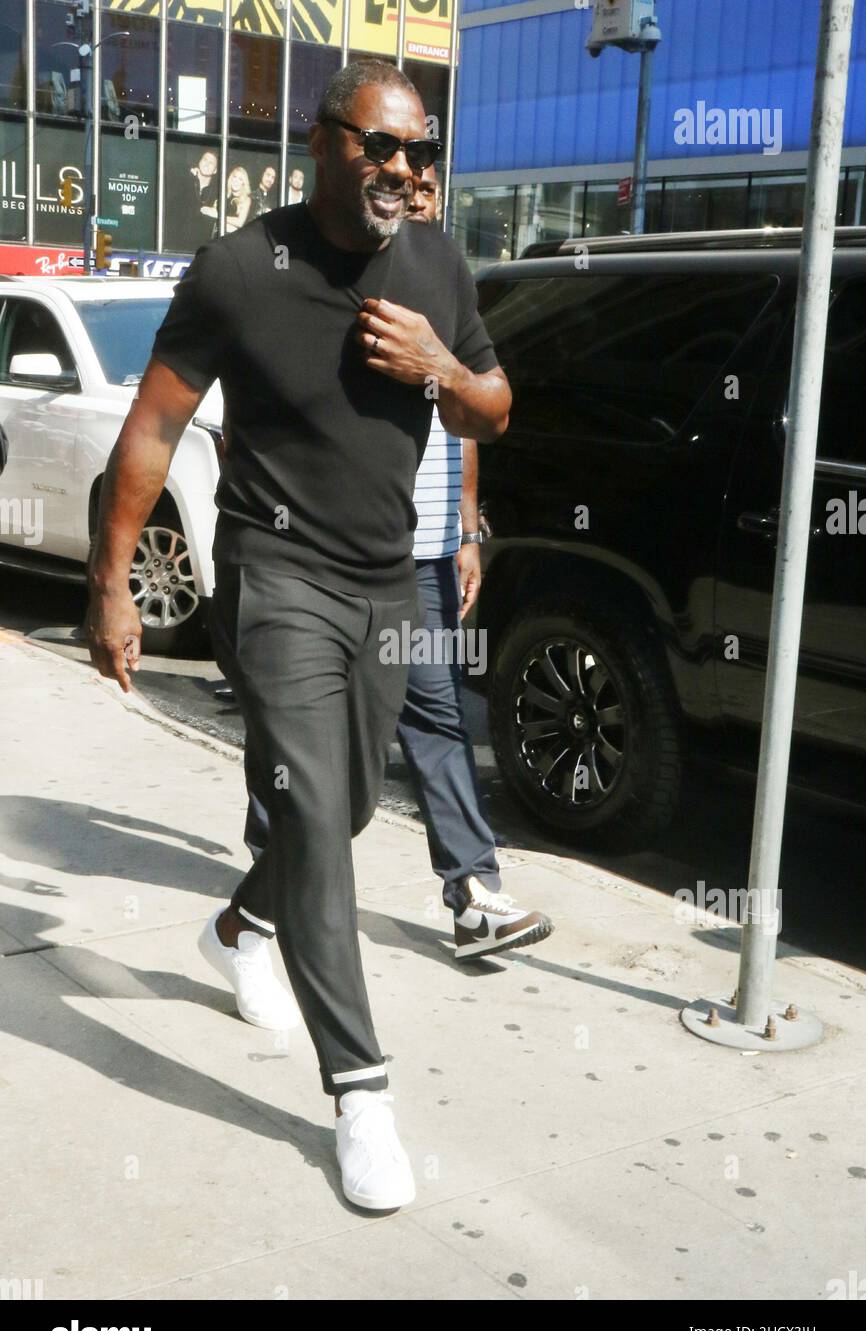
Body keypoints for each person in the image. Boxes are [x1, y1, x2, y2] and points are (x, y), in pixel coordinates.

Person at [85, 59, 511, 1213]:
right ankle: (360, 1094)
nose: (403, 169)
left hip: (386, 582)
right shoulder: (237, 269)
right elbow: (151, 430)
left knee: (350, 806)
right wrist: (113, 585)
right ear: (321, 142)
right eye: (380, 146)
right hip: (274, 577)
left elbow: (493, 406)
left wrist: (437, 365)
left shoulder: (435, 262)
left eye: (419, 151)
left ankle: (241, 926)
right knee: (318, 813)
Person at [243, 165, 554, 960]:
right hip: (331, 552)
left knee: (437, 716)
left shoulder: (444, 289)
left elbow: (470, 417)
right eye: (401, 188)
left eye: (427, 191)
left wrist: (466, 530)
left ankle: (473, 893)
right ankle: (275, 870)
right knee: (302, 724)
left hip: (423, 556)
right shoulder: (345, 289)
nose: (415, 201)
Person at [224, 166, 252, 232]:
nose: (236, 181)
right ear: (231, 179)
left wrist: (219, 216)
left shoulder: (246, 200)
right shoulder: (224, 194)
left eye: (240, 179)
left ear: (244, 183)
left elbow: (240, 222)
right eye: (235, 177)